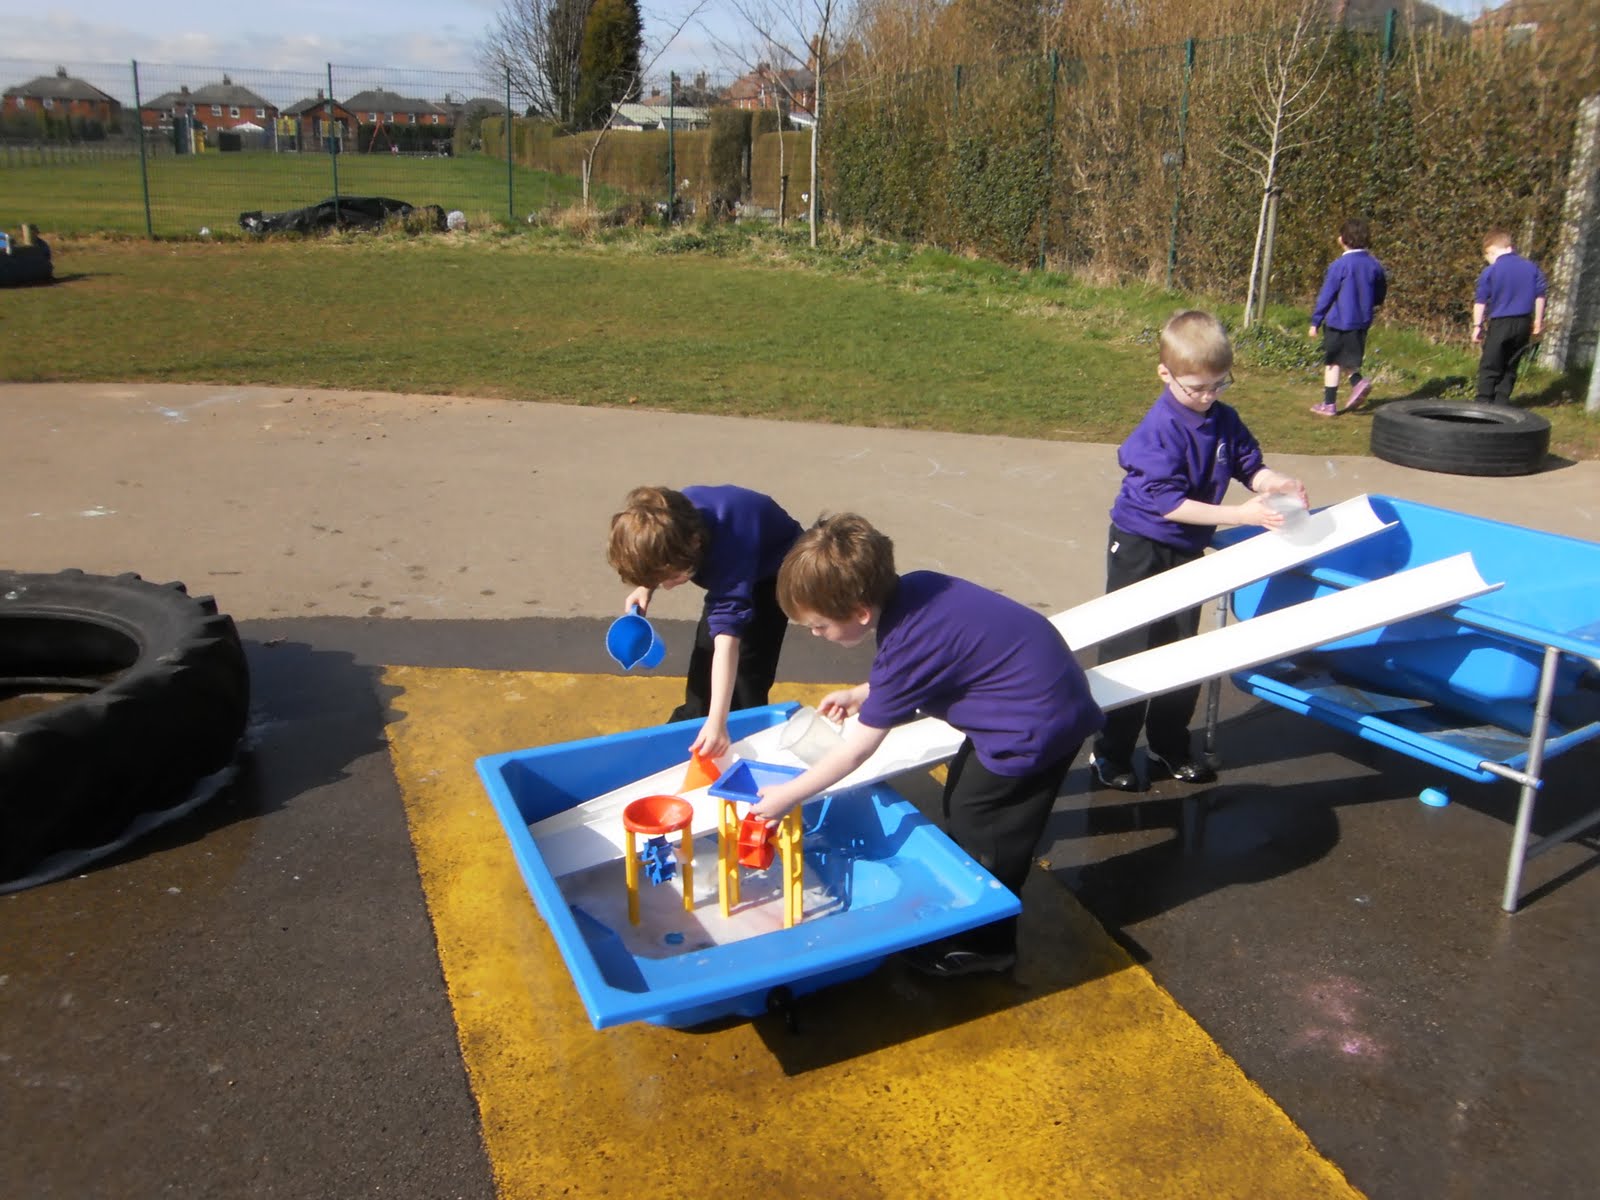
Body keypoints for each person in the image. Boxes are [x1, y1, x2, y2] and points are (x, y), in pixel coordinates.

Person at [749, 513, 1104, 977]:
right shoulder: (916, 587)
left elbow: (856, 752)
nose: (815, 635)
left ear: (858, 612)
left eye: (818, 626)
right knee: (963, 799)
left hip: (1034, 728)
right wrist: (863, 693)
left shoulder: (905, 645)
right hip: (1032, 699)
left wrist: (788, 796)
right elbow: (927, 659)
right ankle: (972, 901)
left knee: (987, 829)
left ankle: (986, 944)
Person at [1090, 310, 1308, 793]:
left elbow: (1249, 464)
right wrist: (1243, 516)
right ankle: (1111, 752)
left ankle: (1168, 744)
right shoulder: (1159, 429)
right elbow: (1167, 504)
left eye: (1218, 385)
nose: (1208, 397)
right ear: (1165, 373)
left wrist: (1275, 484)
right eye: (1197, 388)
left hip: (1186, 549)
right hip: (1140, 546)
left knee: (1181, 648)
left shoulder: (1223, 420)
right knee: (1130, 647)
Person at [607, 484, 802, 759]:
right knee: (704, 658)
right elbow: (656, 555)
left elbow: (727, 644)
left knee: (746, 670)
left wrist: (718, 722)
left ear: (695, 545)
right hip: (735, 552)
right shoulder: (669, 518)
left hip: (774, 571)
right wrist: (646, 586)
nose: (669, 587)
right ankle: (692, 724)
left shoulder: (729, 556)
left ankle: (742, 737)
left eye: (671, 577)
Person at [1307, 217, 1388, 416]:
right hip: (1362, 322)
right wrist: (1371, 303)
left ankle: (1329, 404)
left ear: (1343, 239)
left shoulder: (1339, 265)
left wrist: (1315, 321)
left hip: (1338, 321)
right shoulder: (1375, 265)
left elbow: (1327, 295)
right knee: (1349, 360)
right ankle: (1357, 382)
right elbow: (1380, 293)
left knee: (1333, 362)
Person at [1472, 230, 1548, 406]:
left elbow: (1481, 300)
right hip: (1523, 321)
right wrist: (1538, 321)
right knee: (1511, 362)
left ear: (1491, 251)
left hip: (1500, 322)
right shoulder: (1531, 267)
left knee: (1491, 361)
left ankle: (1483, 400)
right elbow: (1540, 295)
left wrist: (1477, 326)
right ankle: (1502, 401)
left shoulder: (1491, 270)